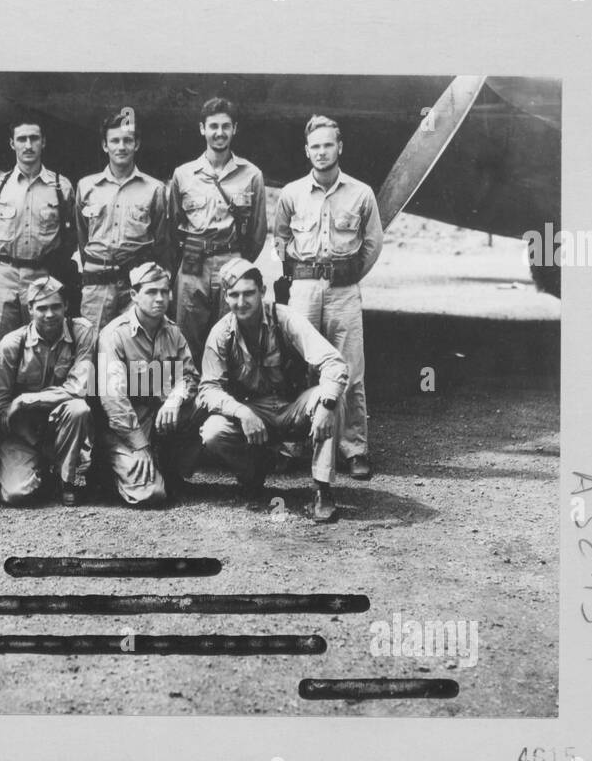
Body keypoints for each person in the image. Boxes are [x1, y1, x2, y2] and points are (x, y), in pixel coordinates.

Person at [272, 115, 384, 480]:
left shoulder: (361, 193)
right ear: (307, 151)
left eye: (327, 145)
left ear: (340, 147)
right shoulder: (291, 194)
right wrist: (299, 277)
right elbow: (280, 240)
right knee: (298, 364)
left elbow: (372, 244)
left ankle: (354, 448)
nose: (321, 153)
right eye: (315, 147)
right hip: (303, 288)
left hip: (343, 291)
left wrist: (346, 276)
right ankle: (293, 444)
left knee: (350, 368)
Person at [197, 259, 348, 523]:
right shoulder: (222, 334)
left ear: (262, 291)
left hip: (293, 406)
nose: (241, 302)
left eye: (248, 293)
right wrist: (242, 412)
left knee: (331, 400)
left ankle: (322, 488)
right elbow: (208, 388)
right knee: (212, 431)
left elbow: (333, 362)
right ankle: (254, 472)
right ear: (226, 296)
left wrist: (327, 402)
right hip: (255, 410)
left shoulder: (286, 319)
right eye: (234, 295)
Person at [0, 117, 78, 470]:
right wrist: (9, 265)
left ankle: (48, 440)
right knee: (1, 360)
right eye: (21, 138)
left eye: (34, 138)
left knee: (48, 357)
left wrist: (46, 267)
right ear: (12, 144)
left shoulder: (60, 186)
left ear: (43, 142)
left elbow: (70, 237)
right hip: (6, 273)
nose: (28, 145)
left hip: (44, 274)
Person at [167, 96, 268, 365]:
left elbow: (258, 231)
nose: (219, 133)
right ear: (202, 129)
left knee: (231, 333)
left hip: (231, 260)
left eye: (225, 126)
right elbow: (172, 226)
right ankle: (185, 399)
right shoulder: (183, 174)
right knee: (185, 336)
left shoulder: (251, 174)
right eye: (213, 126)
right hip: (192, 262)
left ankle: (223, 399)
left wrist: (237, 261)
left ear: (235, 128)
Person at [95, 262, 201, 505]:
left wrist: (175, 399)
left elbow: (191, 377)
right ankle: (107, 468)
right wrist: (139, 444)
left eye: (165, 292)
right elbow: (114, 400)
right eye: (152, 292)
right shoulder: (115, 335)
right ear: (134, 295)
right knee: (150, 494)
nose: (160, 299)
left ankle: (170, 467)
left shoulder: (173, 331)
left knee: (204, 404)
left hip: (160, 415)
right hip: (126, 426)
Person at [0, 276, 95, 506]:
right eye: (42, 308)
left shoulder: (82, 333)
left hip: (61, 424)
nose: (49, 314)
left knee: (79, 408)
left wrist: (28, 399)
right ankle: (42, 466)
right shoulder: (11, 345)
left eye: (56, 306)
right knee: (17, 494)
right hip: (23, 431)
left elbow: (78, 389)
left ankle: (67, 481)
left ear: (66, 306)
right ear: (30, 309)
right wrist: (32, 442)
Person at [74, 108, 169, 334]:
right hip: (97, 285)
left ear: (136, 144)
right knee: (94, 348)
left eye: (127, 140)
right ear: (105, 145)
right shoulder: (87, 187)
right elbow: (82, 237)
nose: (121, 147)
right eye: (114, 141)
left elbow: (162, 240)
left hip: (135, 284)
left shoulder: (154, 189)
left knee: (136, 347)